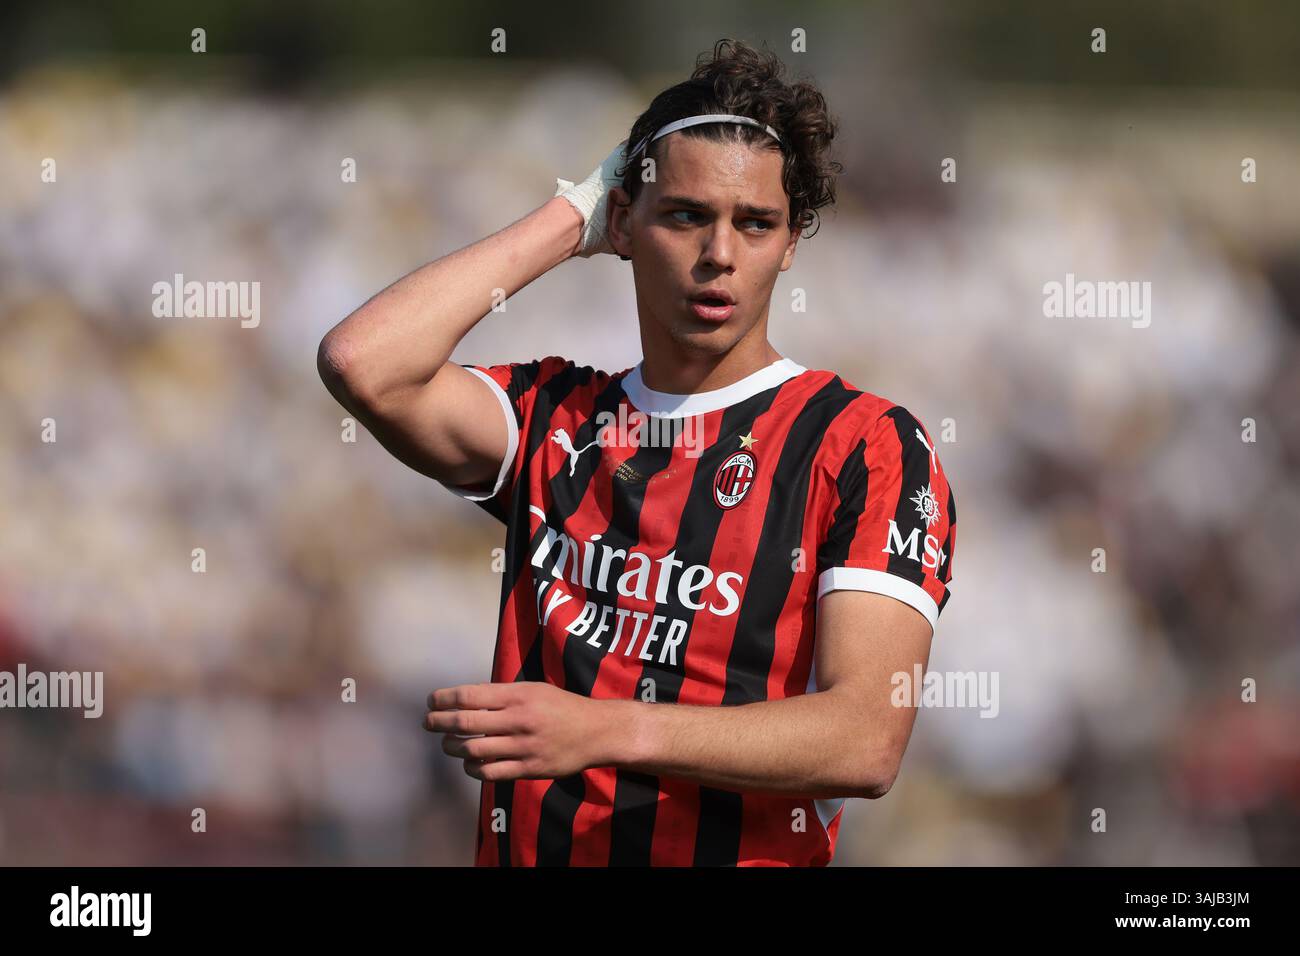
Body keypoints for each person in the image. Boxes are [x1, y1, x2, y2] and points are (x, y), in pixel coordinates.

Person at [318, 39, 955, 866]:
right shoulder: (556, 417)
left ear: (790, 241)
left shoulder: (865, 444)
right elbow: (361, 363)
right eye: (686, 215)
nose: (720, 254)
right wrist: (570, 215)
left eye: (755, 223)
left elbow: (866, 739)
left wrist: (611, 729)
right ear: (625, 222)